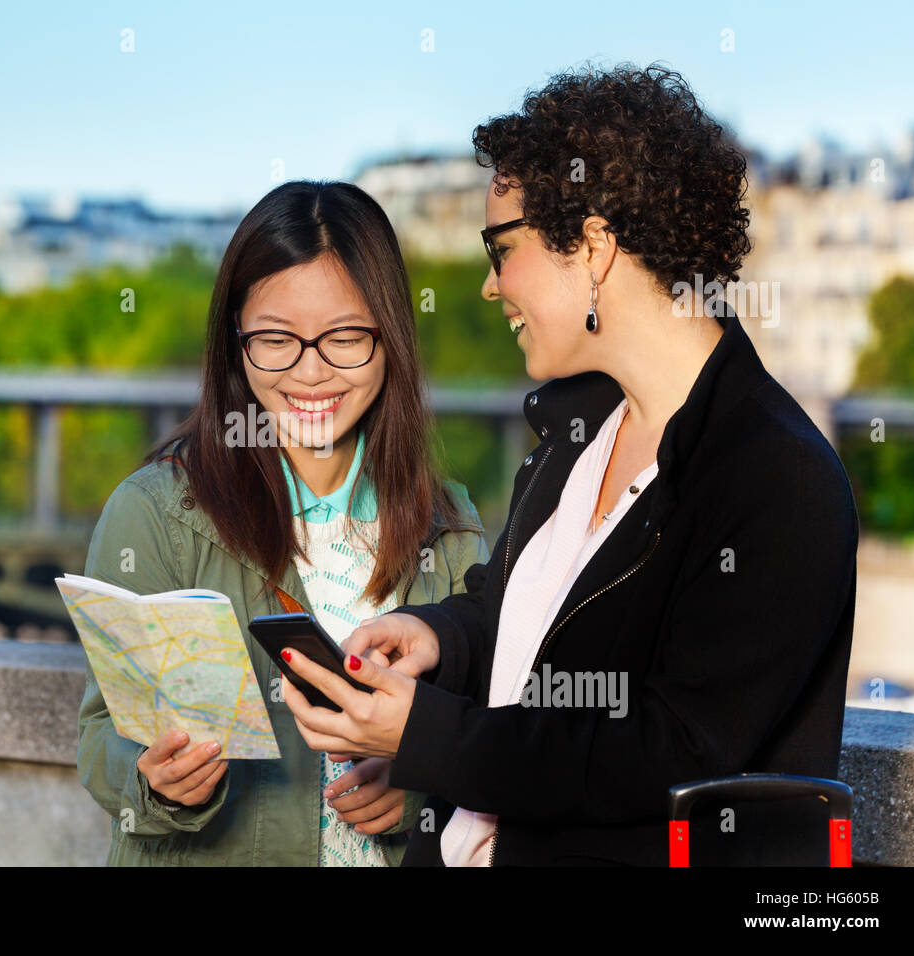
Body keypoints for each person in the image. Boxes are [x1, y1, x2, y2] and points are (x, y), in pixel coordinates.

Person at [280, 64, 860, 866]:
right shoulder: (580, 429)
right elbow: (523, 620)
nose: (489, 286)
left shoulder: (777, 479)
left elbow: (671, 752)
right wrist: (438, 636)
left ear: (591, 245)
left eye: (502, 249)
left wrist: (429, 736)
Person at [75, 179, 490, 866]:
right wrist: (157, 782)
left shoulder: (449, 528)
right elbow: (101, 736)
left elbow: (481, 734)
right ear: (234, 342)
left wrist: (416, 781)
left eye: (345, 338)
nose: (310, 372)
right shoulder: (155, 513)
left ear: (391, 339)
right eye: (275, 340)